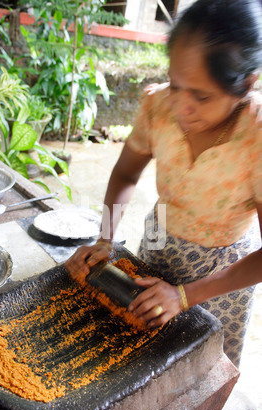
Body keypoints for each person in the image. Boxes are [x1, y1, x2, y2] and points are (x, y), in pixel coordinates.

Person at [65, 0, 262, 368]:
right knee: (142, 346)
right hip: (159, 239)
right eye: (176, 85)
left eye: (202, 96)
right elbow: (125, 174)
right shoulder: (158, 107)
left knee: (197, 365)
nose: (182, 107)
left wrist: (186, 296)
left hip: (222, 269)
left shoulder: (257, 138)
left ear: (245, 86)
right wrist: (105, 237)